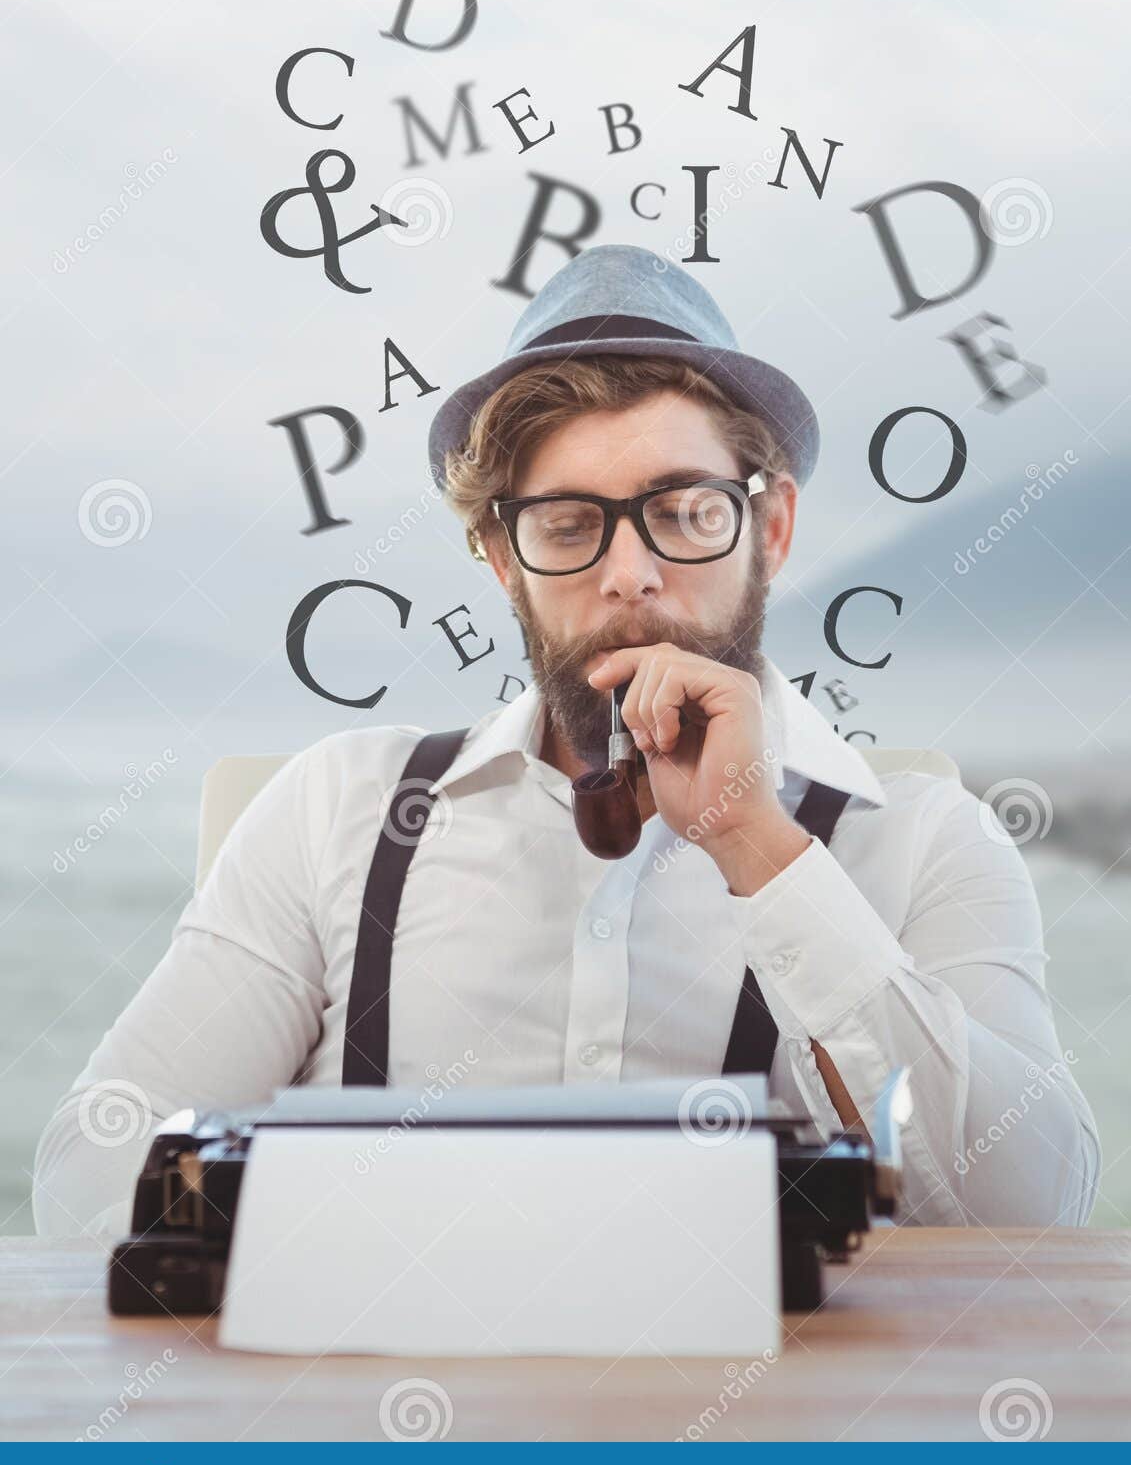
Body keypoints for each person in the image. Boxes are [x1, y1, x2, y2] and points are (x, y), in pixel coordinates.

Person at [34, 245, 1099, 1240]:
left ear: (768, 531)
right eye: (568, 524)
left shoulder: (925, 844)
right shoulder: (335, 811)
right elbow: (89, 1189)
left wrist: (762, 853)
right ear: (502, 558)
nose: (629, 572)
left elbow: (1033, 1219)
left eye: (683, 510)